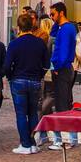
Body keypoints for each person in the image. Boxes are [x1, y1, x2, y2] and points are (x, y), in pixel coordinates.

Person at [6, 12, 51, 153]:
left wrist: (10, 76)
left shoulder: (14, 44)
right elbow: (46, 63)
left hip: (18, 79)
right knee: (32, 112)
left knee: (21, 113)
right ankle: (32, 143)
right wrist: (40, 74)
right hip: (35, 80)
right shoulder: (39, 43)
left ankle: (25, 144)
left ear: (19, 27)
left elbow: (7, 65)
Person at [48, 3, 77, 130]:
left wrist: (57, 67)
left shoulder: (66, 29)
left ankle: (65, 136)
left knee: (62, 103)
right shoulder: (64, 27)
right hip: (63, 67)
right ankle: (63, 134)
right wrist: (56, 21)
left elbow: (64, 52)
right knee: (61, 101)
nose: (51, 17)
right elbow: (52, 34)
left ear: (61, 13)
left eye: (53, 14)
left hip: (62, 68)